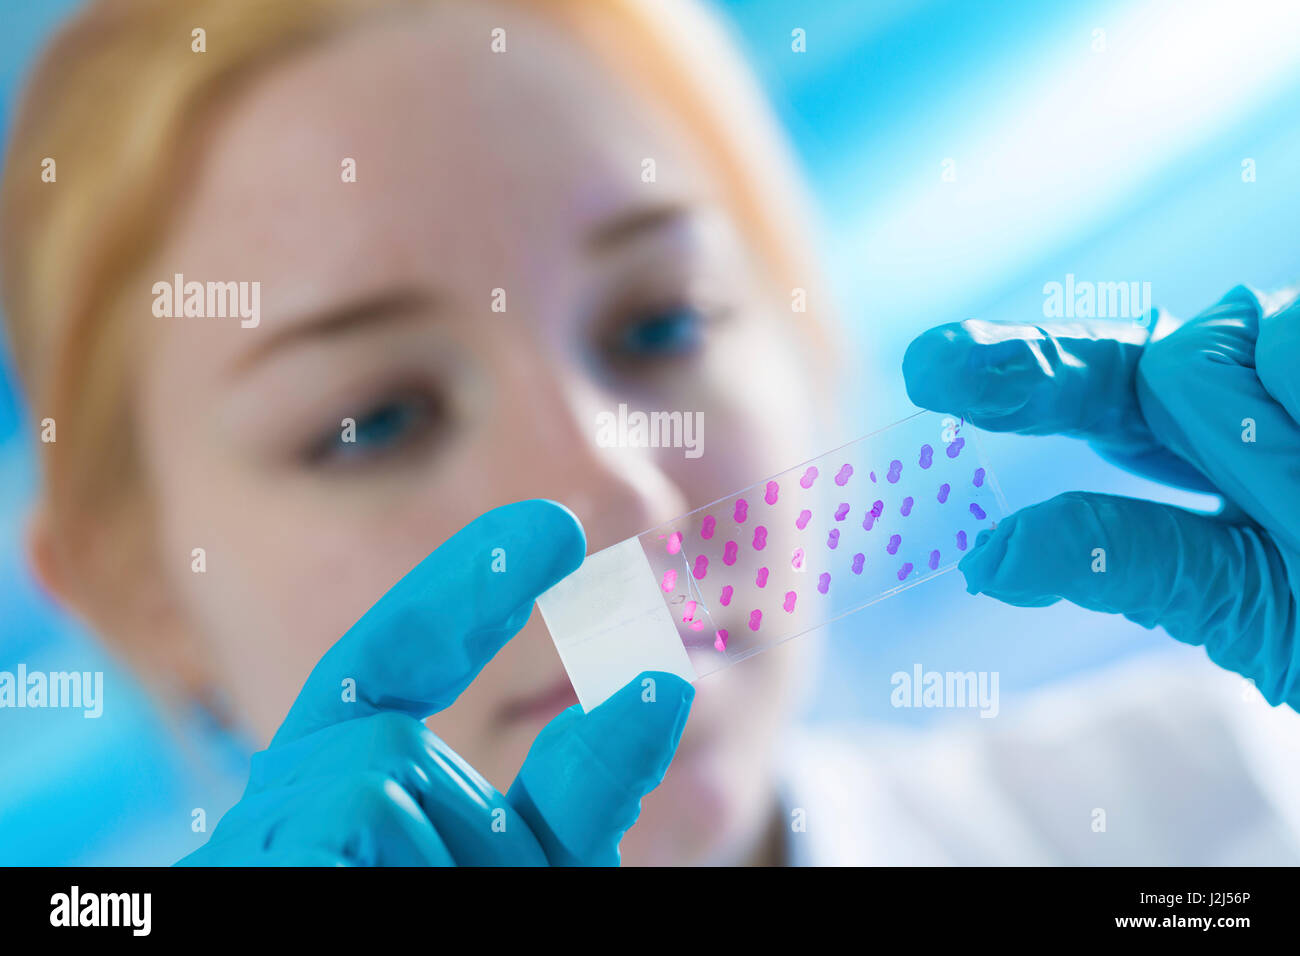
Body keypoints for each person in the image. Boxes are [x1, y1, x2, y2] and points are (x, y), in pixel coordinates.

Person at [1, 0, 1296, 865]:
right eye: (372, 420)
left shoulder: (1212, 809)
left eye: (662, 324)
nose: (610, 493)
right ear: (137, 597)